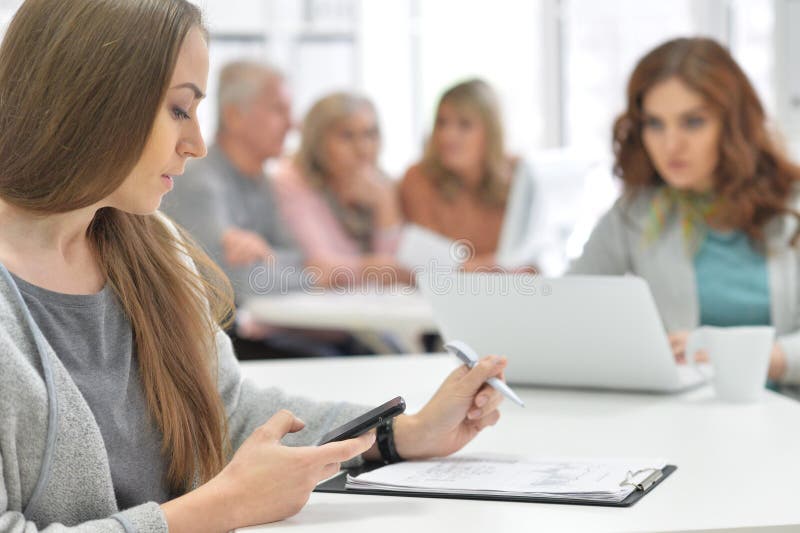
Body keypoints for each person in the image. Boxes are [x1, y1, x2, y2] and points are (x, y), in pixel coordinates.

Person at [0, 1, 508, 531]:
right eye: (179, 109)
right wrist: (219, 509)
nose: (196, 143)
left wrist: (401, 433)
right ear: (95, 100)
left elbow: (229, 411)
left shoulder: (151, 246)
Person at [568, 37, 800, 395]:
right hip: (683, 424)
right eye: (655, 124)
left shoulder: (792, 205)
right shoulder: (637, 213)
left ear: (734, 124)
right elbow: (570, 308)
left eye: (692, 122)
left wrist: (762, 356)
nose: (670, 145)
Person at [399, 78, 540, 271]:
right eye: (441, 123)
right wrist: (498, 266)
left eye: (464, 125)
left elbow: (532, 256)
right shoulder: (419, 177)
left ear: (490, 132)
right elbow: (434, 265)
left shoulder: (518, 175)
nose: (447, 135)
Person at [272, 92, 409, 287]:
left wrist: (385, 204)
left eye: (370, 134)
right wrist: (378, 269)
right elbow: (322, 267)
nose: (363, 148)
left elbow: (396, 275)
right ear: (317, 141)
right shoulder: (291, 181)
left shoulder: (380, 184)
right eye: (347, 136)